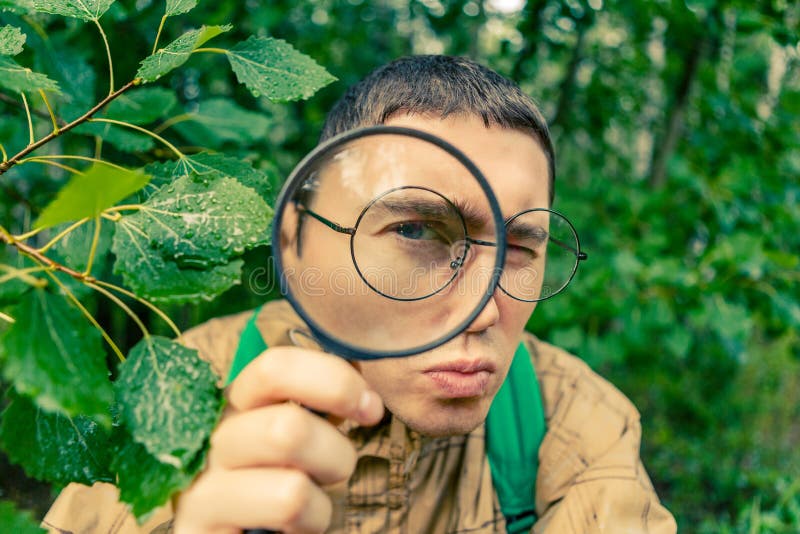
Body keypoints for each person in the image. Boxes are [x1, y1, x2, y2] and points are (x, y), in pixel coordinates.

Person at [43, 55, 677, 533]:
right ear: (298, 242)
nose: (486, 309)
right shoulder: (176, 394)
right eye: (416, 231)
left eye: (521, 247)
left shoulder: (572, 422)